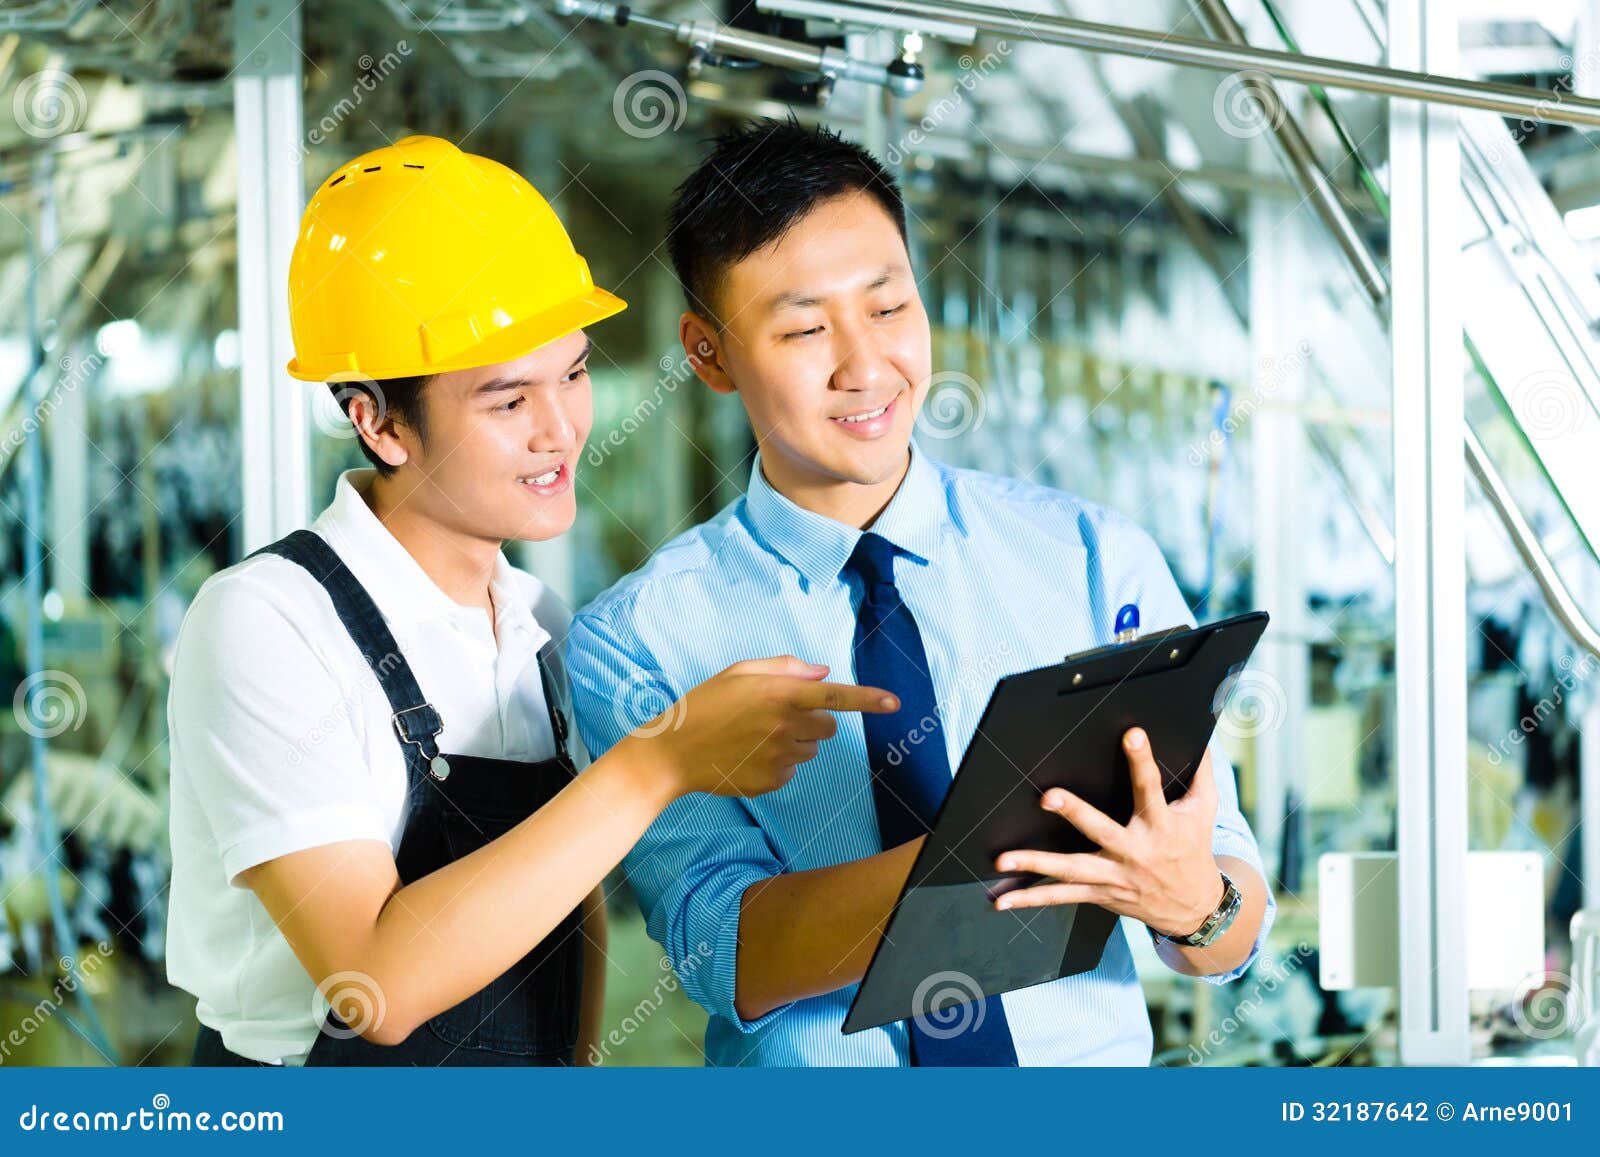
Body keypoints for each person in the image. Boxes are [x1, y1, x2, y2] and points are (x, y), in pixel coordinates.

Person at [165, 135, 896, 1067]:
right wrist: (658, 763)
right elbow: (373, 985)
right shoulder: (270, 622)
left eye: (575, 373)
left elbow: (567, 892)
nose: (563, 430)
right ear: (379, 421)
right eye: (509, 401)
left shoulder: (537, 620)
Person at [568, 122, 1275, 1067]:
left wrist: (1198, 903)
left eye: (889, 306)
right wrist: (1007, 855)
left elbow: (1227, 922)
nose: (865, 367)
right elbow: (721, 952)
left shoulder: (1095, 557)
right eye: (805, 328)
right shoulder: (640, 639)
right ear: (709, 354)